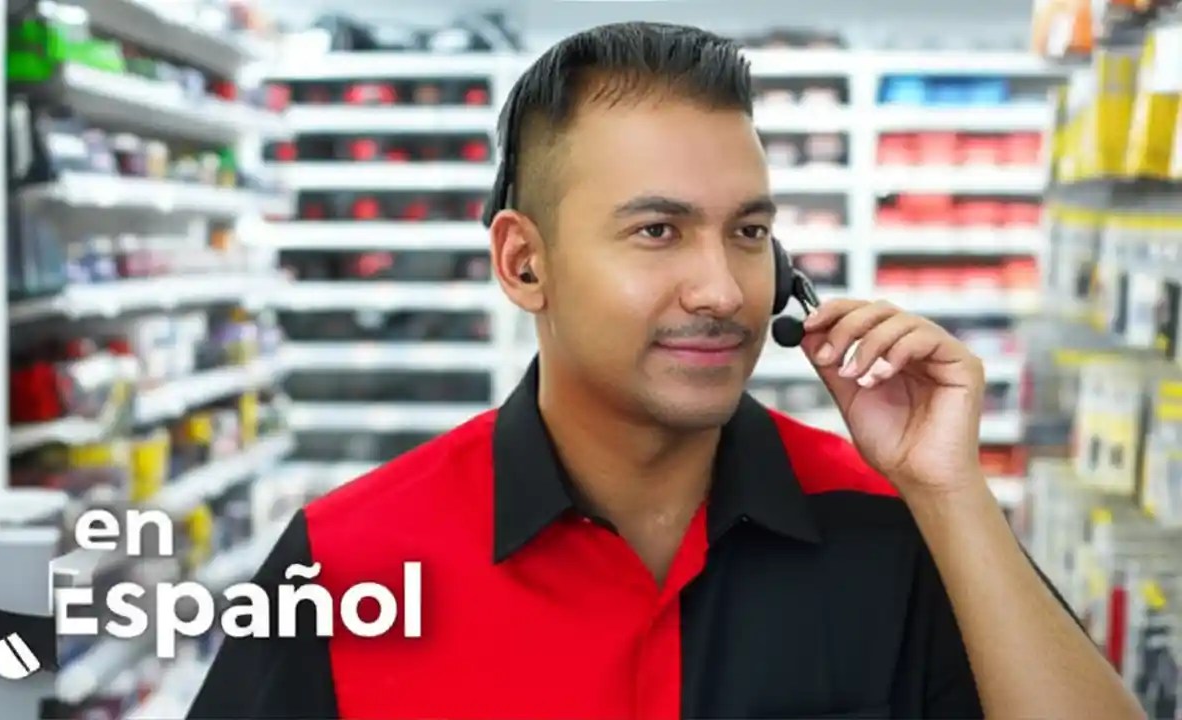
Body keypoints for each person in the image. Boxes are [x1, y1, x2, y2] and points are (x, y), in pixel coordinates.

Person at [188, 22, 1144, 719]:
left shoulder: (894, 529)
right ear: (525, 263)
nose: (723, 288)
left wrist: (952, 495)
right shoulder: (346, 561)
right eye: (658, 231)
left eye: (750, 232)